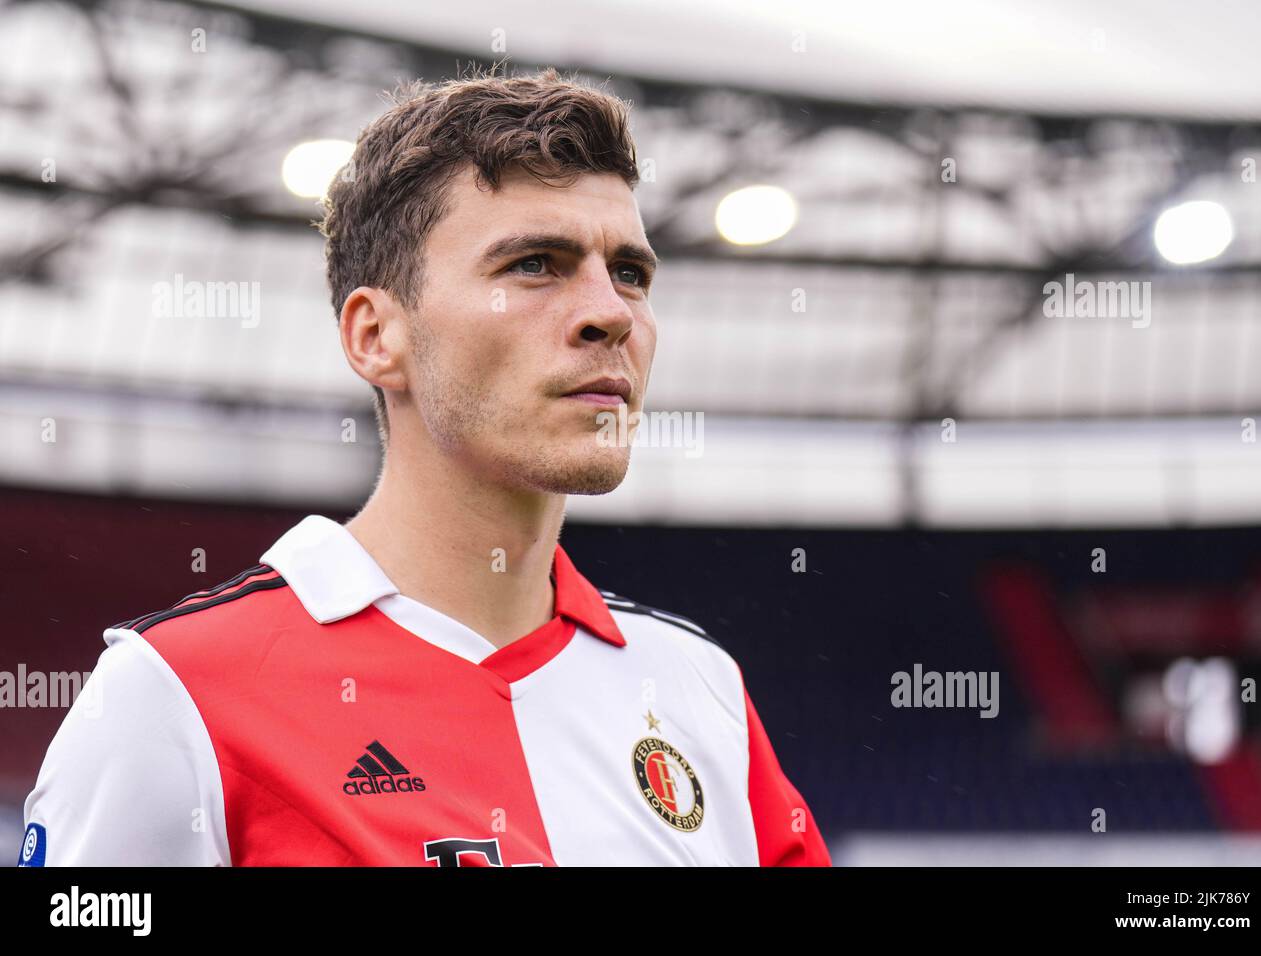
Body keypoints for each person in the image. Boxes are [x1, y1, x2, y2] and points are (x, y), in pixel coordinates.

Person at [19, 66, 830, 867]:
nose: (610, 314)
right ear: (376, 336)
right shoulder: (172, 697)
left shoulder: (698, 687)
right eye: (535, 265)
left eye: (629, 273)